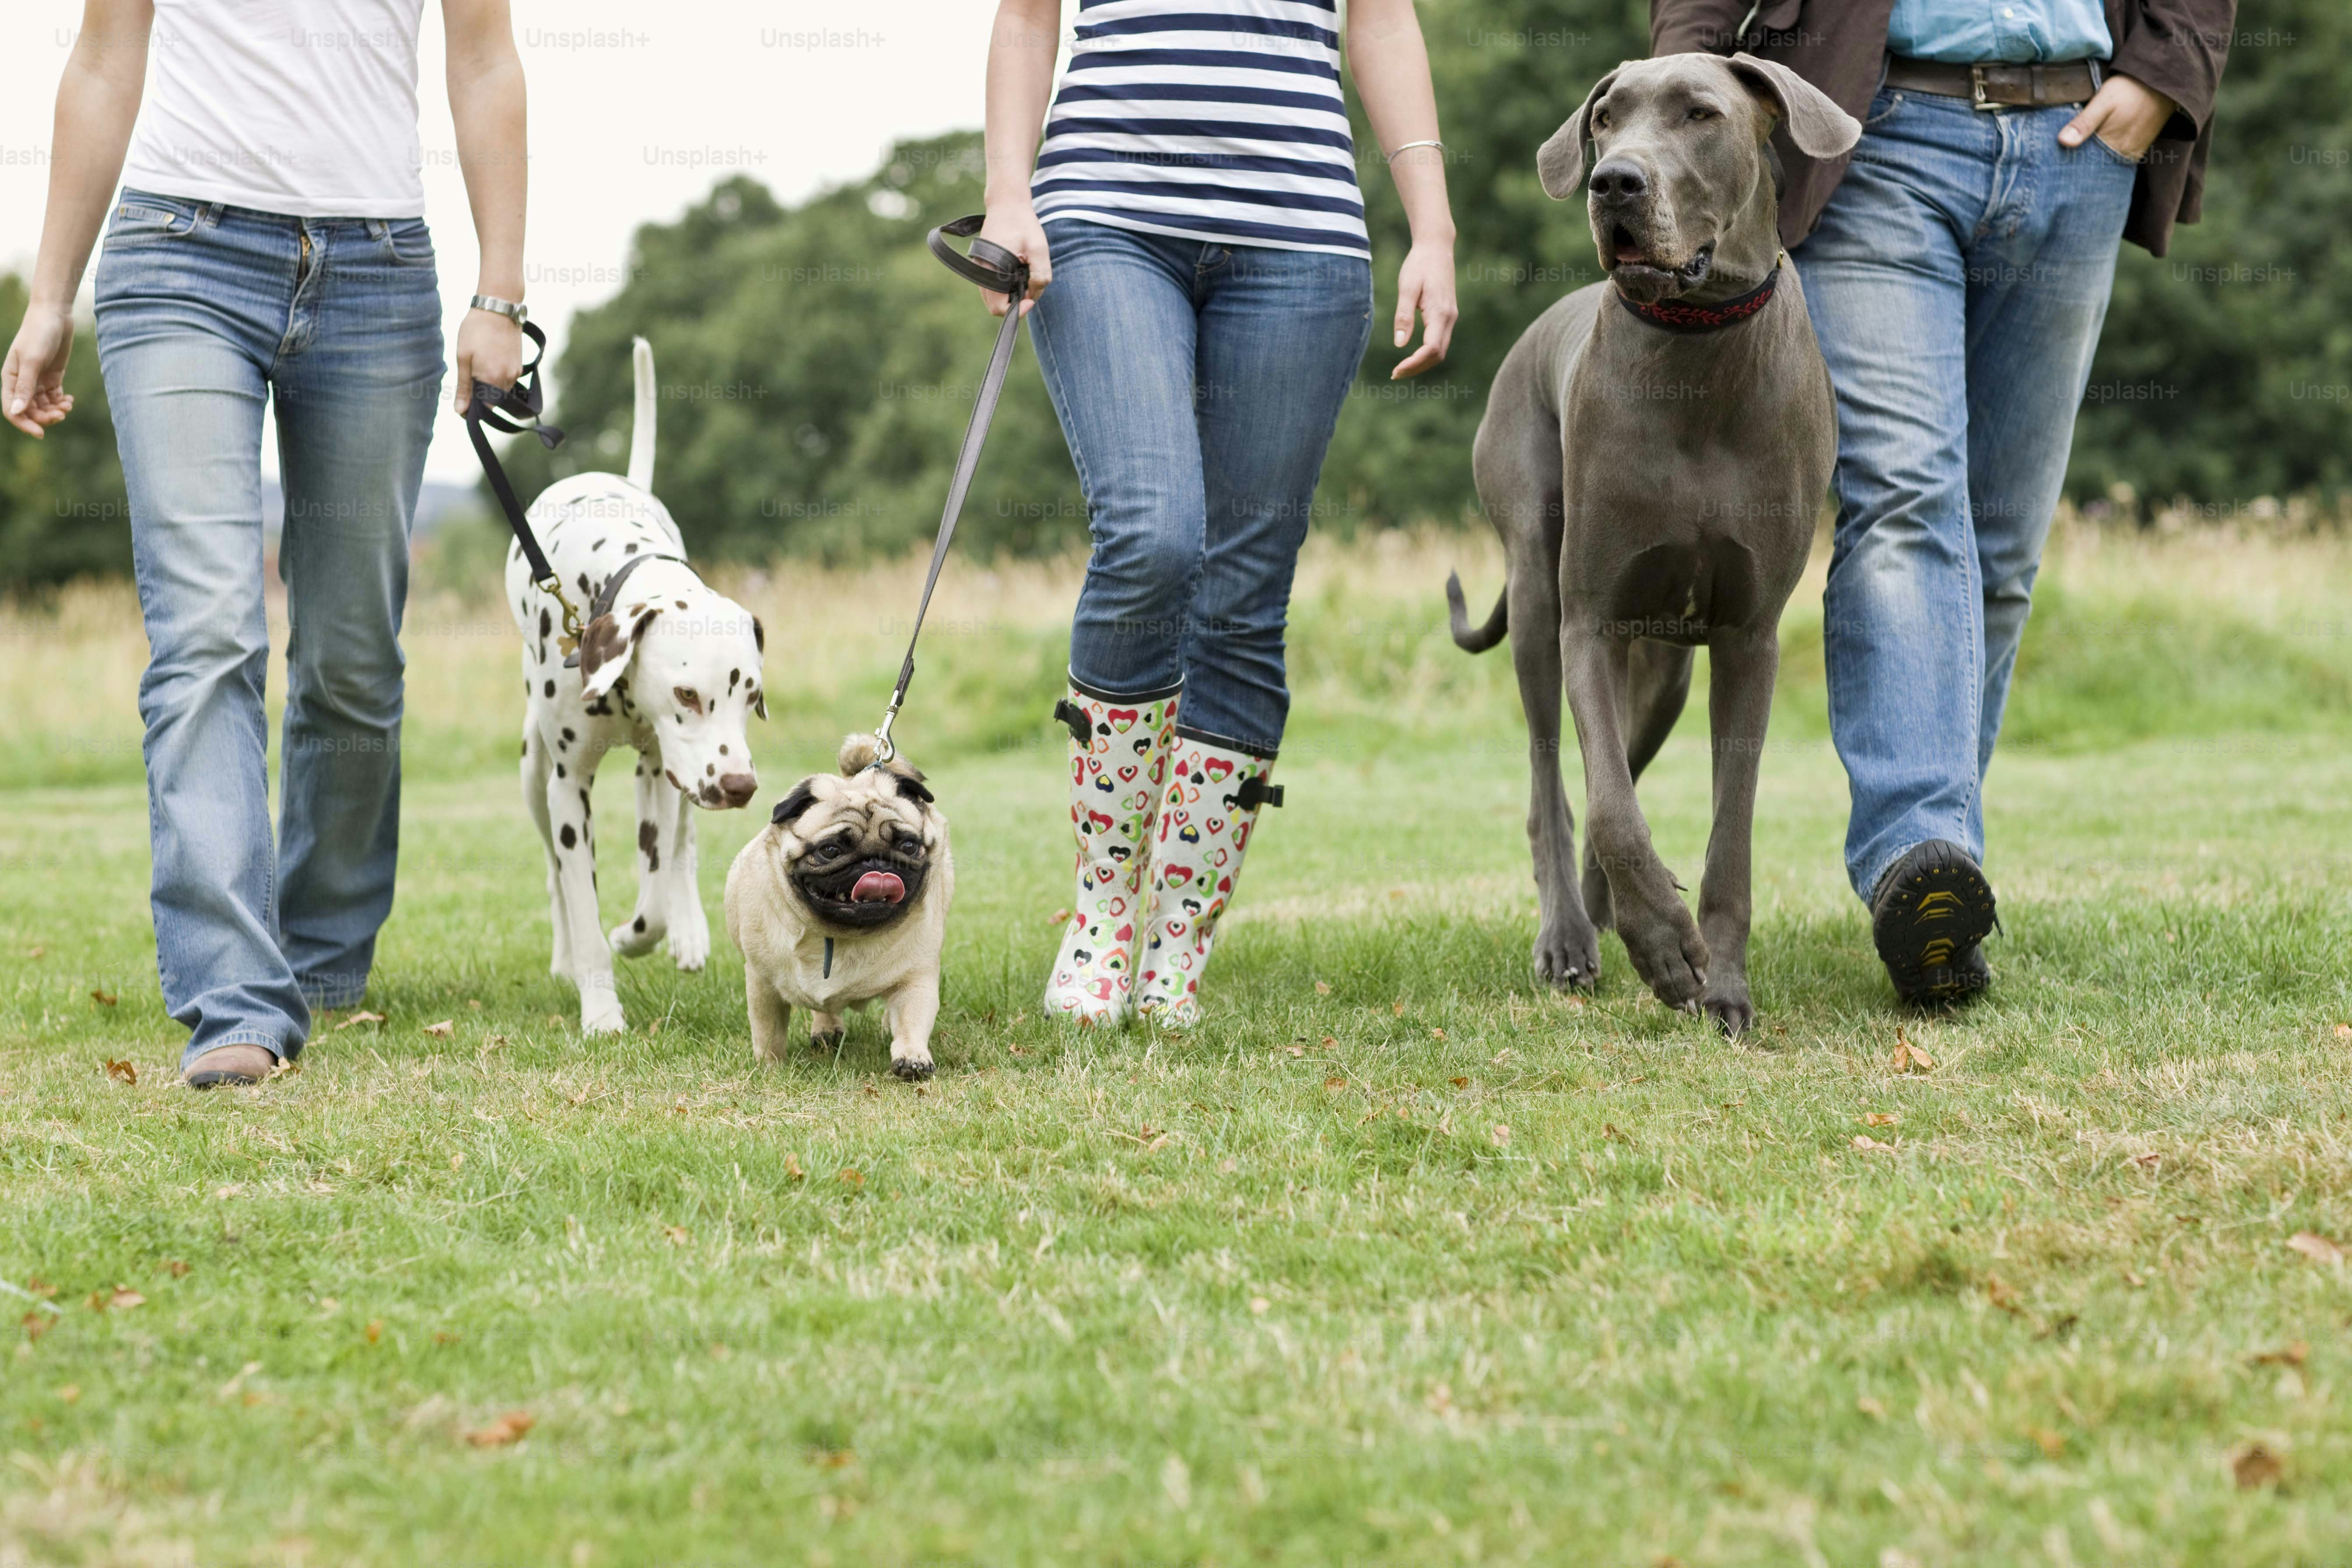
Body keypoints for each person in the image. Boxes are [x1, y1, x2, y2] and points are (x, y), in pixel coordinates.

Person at [1651, 0, 2233, 1003]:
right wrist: (1674, 109)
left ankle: (1939, 892)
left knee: (2001, 547)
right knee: (1906, 498)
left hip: (2080, 137)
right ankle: (1917, 856)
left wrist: (2166, 72)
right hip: (1869, 134)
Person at [2, 0, 533, 1085]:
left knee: (352, 657)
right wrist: (51, 296)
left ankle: (324, 961)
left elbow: (485, 61)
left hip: (379, 272)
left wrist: (501, 293)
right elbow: (103, 60)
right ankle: (236, 996)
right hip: (178, 258)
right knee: (206, 633)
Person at [976, 0, 1458, 1029]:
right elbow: (1026, 18)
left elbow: (1383, 23)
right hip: (1105, 215)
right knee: (1153, 533)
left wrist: (1433, 227)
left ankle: (1178, 935)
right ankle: (1104, 911)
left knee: (1244, 592)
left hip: (1302, 238)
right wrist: (1006, 192)